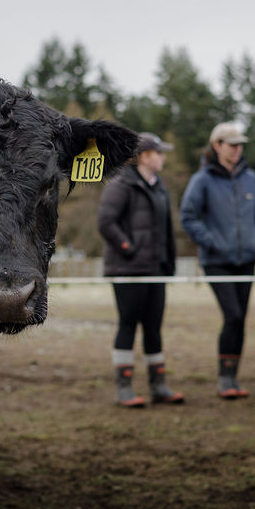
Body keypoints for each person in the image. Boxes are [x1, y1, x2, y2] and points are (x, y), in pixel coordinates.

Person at [180, 122, 255, 399]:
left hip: (247, 259)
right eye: (232, 145)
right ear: (217, 146)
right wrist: (211, 242)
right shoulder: (203, 180)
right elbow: (188, 216)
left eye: (240, 145)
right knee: (233, 315)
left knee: (240, 319)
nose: (237, 150)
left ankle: (232, 377)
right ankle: (225, 378)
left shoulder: (250, 179)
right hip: (217, 262)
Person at [98, 132, 184, 407]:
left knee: (153, 327)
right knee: (128, 324)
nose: (163, 158)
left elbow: (167, 229)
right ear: (145, 156)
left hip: (156, 269)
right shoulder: (120, 184)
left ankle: (159, 385)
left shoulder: (160, 187)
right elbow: (106, 222)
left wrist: (168, 261)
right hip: (128, 271)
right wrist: (128, 247)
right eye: (159, 153)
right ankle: (124, 386)